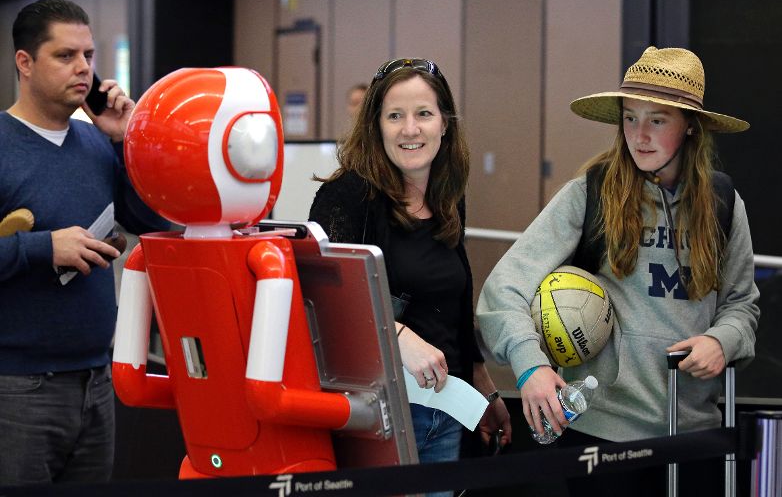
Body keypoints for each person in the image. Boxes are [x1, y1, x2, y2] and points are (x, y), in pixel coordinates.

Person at [477, 46, 759, 495]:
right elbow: (502, 290)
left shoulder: (725, 204)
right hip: (600, 436)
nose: (639, 135)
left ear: (690, 127)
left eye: (657, 120)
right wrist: (530, 368)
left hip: (693, 436)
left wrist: (720, 340)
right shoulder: (589, 193)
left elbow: (741, 305)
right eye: (629, 118)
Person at [309, 58, 512, 494]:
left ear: (444, 124)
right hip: (381, 415)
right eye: (395, 116)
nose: (410, 129)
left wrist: (484, 389)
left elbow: (455, 300)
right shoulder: (346, 196)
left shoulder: (446, 195)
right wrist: (398, 335)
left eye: (423, 114)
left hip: (448, 408)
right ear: (375, 126)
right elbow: (324, 307)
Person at [0, 0, 167, 486]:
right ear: (24, 63)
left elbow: (146, 219)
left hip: (96, 379)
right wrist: (42, 247)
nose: (84, 69)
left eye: (89, 56)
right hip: (18, 387)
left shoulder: (95, 141)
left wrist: (125, 141)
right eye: (66, 55)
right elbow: (40, 247)